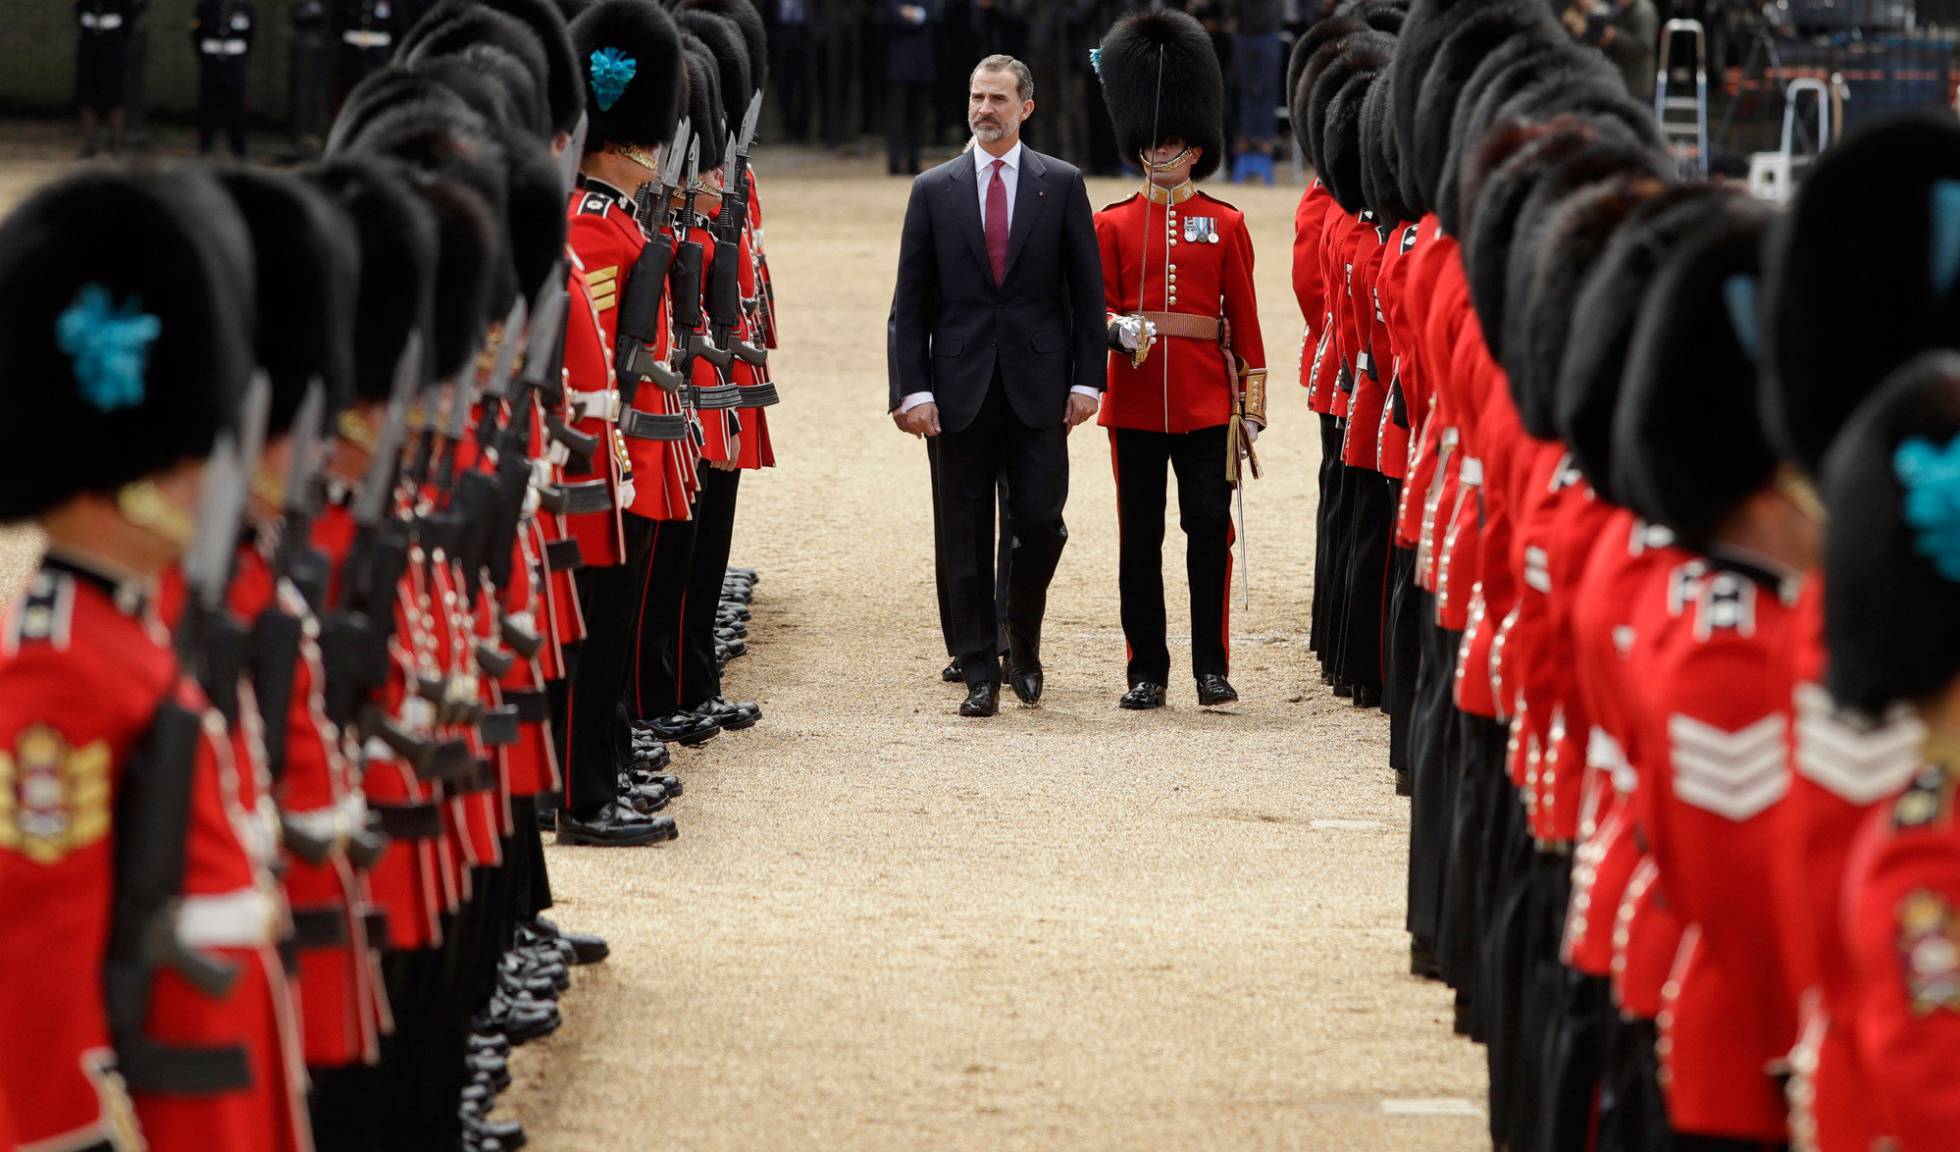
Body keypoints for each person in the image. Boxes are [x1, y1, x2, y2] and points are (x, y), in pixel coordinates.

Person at [0, 166, 310, 1152]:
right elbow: (36, 956)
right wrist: (73, 1133)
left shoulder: (130, 631)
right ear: (101, 470)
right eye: (174, 453)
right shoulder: (58, 672)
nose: (198, 473)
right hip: (152, 1107)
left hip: (216, 1077)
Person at [888, 53, 1106, 717]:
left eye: (999, 100)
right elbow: (910, 302)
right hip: (957, 389)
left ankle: (1022, 640)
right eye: (978, 98)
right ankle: (980, 666)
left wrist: (1087, 379)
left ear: (1025, 108)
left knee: (1041, 521)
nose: (985, 110)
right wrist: (911, 389)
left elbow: (1086, 293)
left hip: (1040, 386)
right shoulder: (933, 189)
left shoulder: (1062, 183)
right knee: (963, 532)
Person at [1091, 8, 1266, 710]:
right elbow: (1094, 306)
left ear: (1193, 150)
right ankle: (1147, 669)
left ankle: (1210, 668)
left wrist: (1250, 408)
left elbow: (1245, 323)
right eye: (1147, 146)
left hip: (1203, 404)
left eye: (1166, 146)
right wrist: (1116, 330)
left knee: (1207, 537)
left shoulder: (1225, 223)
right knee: (1141, 542)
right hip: (1133, 400)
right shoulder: (1111, 223)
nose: (1153, 156)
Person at [75, 0, 141, 158]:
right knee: (87, 94)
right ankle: (89, 145)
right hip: (89, 42)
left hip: (112, 43)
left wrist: (117, 39)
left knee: (115, 95)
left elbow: (128, 16)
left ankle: (117, 147)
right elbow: (79, 10)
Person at [883, 0, 942, 175]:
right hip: (898, 63)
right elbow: (893, 15)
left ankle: (914, 161)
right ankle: (894, 161)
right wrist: (920, 15)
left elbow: (936, 14)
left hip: (923, 63)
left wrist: (915, 14)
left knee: (919, 116)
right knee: (896, 115)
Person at [193, 0, 255, 158]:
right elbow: (196, 35)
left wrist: (239, 58)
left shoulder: (244, 6)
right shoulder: (205, 5)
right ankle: (205, 147)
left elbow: (250, 35)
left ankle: (238, 150)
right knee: (208, 105)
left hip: (234, 62)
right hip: (211, 60)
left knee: (236, 107)